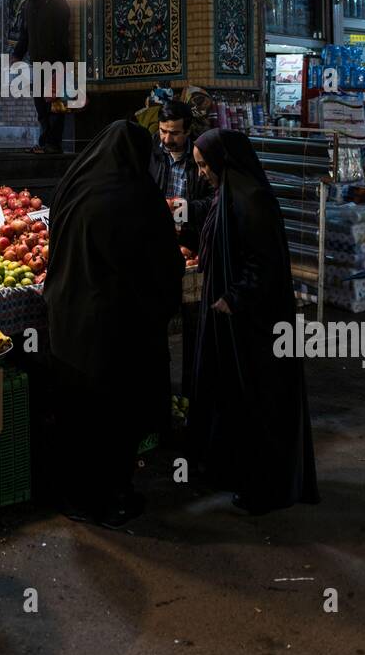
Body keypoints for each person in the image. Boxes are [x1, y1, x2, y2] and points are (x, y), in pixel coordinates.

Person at [43, 120, 184, 527]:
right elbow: (162, 264)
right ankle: (114, 500)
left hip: (68, 320)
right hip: (114, 328)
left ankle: (74, 498)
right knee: (115, 417)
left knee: (75, 412)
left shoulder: (73, 185)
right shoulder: (138, 196)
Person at [190, 128, 319, 514]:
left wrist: (235, 296)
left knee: (261, 404)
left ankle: (266, 489)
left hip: (257, 327)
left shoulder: (251, 199)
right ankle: (245, 478)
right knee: (240, 402)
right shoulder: (229, 194)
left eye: (203, 165)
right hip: (238, 322)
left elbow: (264, 262)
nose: (200, 173)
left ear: (223, 161)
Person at [11, 0, 71, 154]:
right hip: (37, 64)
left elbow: (63, 34)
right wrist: (17, 54)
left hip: (57, 62)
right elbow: (25, 34)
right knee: (40, 106)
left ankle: (54, 145)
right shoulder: (28, 5)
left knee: (55, 104)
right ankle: (45, 142)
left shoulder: (58, 1)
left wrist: (62, 66)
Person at [149, 99, 212, 243]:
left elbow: (215, 197)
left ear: (188, 130)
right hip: (156, 232)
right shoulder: (149, 149)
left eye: (174, 133)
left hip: (193, 236)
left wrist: (185, 208)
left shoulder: (203, 154)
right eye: (163, 131)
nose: (166, 139)